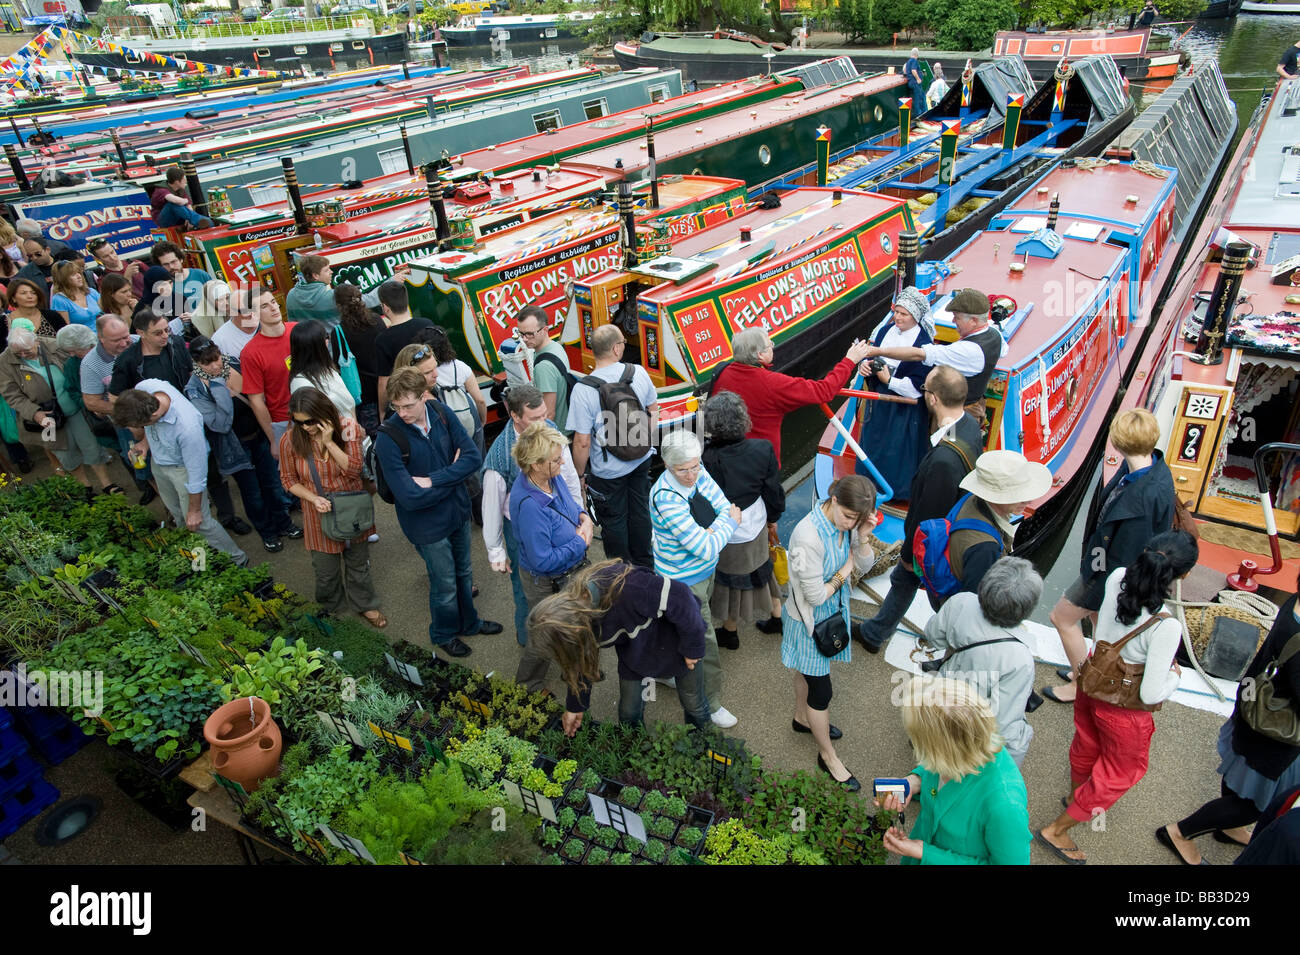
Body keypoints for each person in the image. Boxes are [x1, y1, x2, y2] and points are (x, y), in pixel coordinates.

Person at [1038, 531, 1198, 864]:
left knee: (1086, 746)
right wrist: (1174, 677)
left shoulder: (1117, 578)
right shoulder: (1165, 626)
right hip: (1124, 710)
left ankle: (1075, 796)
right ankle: (1057, 830)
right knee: (1117, 774)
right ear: (1181, 576)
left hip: (1092, 682)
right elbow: (1151, 692)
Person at [1158, 568, 1300, 866]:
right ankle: (1180, 833)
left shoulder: (1294, 604)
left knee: (1240, 772)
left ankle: (1227, 828)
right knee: (1252, 806)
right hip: (1274, 730)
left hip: (1253, 704)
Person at [1045, 409, 1175, 705]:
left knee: (1062, 618)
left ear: (1117, 441)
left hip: (1108, 571)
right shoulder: (1149, 470)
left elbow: (1125, 556)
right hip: (1106, 563)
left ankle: (1082, 683)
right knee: (1096, 620)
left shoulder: (1141, 497)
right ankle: (1091, 667)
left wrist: (1095, 577)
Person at [374, 367, 499, 658]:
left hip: (456, 512)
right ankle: (443, 633)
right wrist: (453, 475)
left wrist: (435, 479)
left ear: (423, 396)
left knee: (464, 573)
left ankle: (469, 623)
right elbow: (410, 497)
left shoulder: (440, 412)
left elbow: (471, 458)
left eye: (408, 405)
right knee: (444, 584)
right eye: (396, 406)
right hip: (426, 526)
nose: (402, 413)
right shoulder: (388, 439)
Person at [856, 365, 981, 652]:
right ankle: (875, 634)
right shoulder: (970, 427)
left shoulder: (943, 461)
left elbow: (929, 514)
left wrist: (911, 555)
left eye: (925, 389)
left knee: (941, 599)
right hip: (954, 528)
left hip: (935, 543)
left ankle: (961, 649)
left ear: (934, 399)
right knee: (904, 581)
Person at [529, 559, 711, 733]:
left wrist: (692, 648)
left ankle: (702, 746)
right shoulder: (577, 620)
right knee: (629, 712)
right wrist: (574, 707)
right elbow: (580, 661)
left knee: (693, 703)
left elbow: (682, 597)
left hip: (677, 648)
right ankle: (637, 750)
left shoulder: (630, 586)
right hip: (635, 656)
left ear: (574, 629)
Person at [783, 474, 880, 790]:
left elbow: (865, 564)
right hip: (809, 622)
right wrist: (843, 574)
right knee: (822, 692)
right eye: (850, 516)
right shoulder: (807, 536)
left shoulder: (847, 526)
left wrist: (862, 536)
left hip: (828, 616)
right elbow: (814, 596)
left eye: (858, 520)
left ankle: (801, 718)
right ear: (834, 499)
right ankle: (828, 756)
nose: (851, 524)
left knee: (807, 675)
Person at [876, 676, 1032, 865]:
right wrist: (914, 782)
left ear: (943, 748)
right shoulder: (962, 749)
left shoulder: (1005, 806)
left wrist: (925, 854)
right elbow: (936, 769)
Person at [651, 429, 740, 727]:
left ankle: (663, 672)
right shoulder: (665, 497)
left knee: (673, 629)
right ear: (667, 465)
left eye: (695, 466)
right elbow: (706, 546)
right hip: (684, 581)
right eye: (683, 470)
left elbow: (724, 506)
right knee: (705, 642)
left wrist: (714, 529)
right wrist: (723, 527)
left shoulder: (696, 473)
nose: (692, 475)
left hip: (704, 572)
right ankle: (710, 702)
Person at [483, 384, 582, 652]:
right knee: (526, 593)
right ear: (515, 416)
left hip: (558, 517)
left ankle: (562, 641)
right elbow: (491, 505)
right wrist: (496, 551)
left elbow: (569, 474)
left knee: (565, 587)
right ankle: (531, 646)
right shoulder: (501, 455)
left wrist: (579, 512)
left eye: (544, 415)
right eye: (534, 418)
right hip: (522, 529)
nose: (543, 422)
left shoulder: (549, 429)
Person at [280, 387, 386, 627]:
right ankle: (333, 607)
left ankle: (365, 604)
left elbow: (354, 469)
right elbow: (288, 479)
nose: (306, 427)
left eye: (310, 421)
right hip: (318, 512)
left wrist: (328, 442)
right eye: (299, 422)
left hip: (351, 508)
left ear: (324, 412)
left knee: (358, 563)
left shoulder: (348, 428)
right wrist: (312, 497)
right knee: (325, 571)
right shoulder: (290, 439)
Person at [111, 381, 247, 564]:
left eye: (135, 425)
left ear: (153, 415)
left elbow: (197, 475)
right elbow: (149, 428)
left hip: (183, 472)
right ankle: (200, 562)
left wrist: (195, 510)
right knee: (180, 519)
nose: (132, 430)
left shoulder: (188, 428)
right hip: (160, 464)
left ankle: (238, 560)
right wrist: (143, 443)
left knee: (199, 523)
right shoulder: (146, 387)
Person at [186, 337, 300, 553]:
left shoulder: (236, 363)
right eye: (206, 362)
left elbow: (260, 396)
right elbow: (220, 424)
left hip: (260, 437)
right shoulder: (196, 389)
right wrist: (220, 387)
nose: (215, 365)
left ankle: (284, 524)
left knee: (273, 485)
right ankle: (268, 533)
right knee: (253, 494)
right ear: (195, 363)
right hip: (235, 449)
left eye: (217, 358)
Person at [924, 557, 1041, 766]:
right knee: (1019, 736)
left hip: (942, 696)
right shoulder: (1019, 659)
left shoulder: (961, 602)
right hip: (970, 723)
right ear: (1026, 608)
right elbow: (1002, 721)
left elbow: (933, 636)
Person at [509, 422, 594, 692]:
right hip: (547, 581)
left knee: (574, 624)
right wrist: (580, 542)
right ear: (534, 464)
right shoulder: (530, 506)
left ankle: (575, 669)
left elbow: (570, 506)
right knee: (544, 636)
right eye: (556, 459)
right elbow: (542, 561)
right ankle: (528, 685)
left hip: (568, 571)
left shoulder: (549, 476)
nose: (561, 463)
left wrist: (583, 517)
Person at [566, 323, 659, 568]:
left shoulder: (583, 390)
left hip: (607, 471)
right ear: (617, 348)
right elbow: (653, 411)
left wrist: (579, 475)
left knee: (614, 521)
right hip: (640, 459)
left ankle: (620, 574)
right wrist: (641, 442)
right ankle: (646, 569)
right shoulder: (638, 372)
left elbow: (582, 441)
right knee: (640, 513)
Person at [711, 326, 870, 467]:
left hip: (725, 458)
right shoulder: (772, 383)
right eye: (770, 345)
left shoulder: (721, 372)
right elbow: (824, 391)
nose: (773, 347)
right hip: (760, 464)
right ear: (759, 355)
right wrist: (850, 360)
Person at [702, 390, 785, 643]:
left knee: (731, 582)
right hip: (757, 521)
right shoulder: (762, 448)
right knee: (763, 567)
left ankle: (730, 632)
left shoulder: (707, 458)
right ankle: (777, 617)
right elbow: (773, 490)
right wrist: (773, 518)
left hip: (729, 529)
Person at [0, 323, 118, 491]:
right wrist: (35, 414)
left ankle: (107, 484)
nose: (23, 355)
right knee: (62, 453)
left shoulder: (54, 345)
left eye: (27, 350)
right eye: (18, 352)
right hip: (45, 419)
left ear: (37, 341)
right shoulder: (5, 361)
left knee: (91, 445)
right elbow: (12, 395)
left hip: (74, 409)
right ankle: (85, 487)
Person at [861, 288, 1005, 426]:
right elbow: (1004, 351)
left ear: (974, 320)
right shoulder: (994, 334)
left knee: (949, 445)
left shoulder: (969, 350)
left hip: (955, 414)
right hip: (972, 405)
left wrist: (878, 351)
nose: (954, 321)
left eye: (957, 317)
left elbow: (919, 354)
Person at [934, 449, 1051, 606]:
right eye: (1019, 495)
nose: (1028, 501)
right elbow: (972, 602)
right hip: (955, 608)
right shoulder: (985, 547)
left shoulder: (972, 498)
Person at [855, 287, 933, 498]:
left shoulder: (923, 344)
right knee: (874, 441)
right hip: (881, 401)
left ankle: (897, 491)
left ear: (915, 316)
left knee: (897, 449)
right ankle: (869, 483)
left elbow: (918, 386)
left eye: (903, 314)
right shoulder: (884, 331)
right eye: (896, 311)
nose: (897, 317)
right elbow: (871, 357)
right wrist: (865, 366)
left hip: (904, 407)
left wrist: (890, 381)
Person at [79, 314, 158, 505]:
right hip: (129, 424)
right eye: (117, 340)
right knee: (143, 464)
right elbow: (91, 402)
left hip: (160, 413)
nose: (125, 343)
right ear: (101, 338)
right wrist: (130, 414)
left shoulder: (141, 342)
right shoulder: (90, 364)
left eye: (126, 336)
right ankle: (166, 502)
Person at [239, 289, 296, 461]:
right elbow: (256, 400)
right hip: (286, 423)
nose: (273, 308)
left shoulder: (297, 330)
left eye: (273, 302)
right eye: (264, 306)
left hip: (317, 411)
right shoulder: (250, 353)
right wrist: (273, 439)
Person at [374, 280, 433, 412]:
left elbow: (384, 382)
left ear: (385, 307)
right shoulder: (427, 324)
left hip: (407, 402)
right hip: (433, 392)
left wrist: (382, 411)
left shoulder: (383, 340)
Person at [335, 283, 385, 437]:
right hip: (385, 385)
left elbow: (338, 364)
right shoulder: (377, 320)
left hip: (362, 393)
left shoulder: (339, 331)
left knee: (374, 439)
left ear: (338, 306)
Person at [516, 304, 571, 434]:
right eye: (521, 333)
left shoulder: (543, 367)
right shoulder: (556, 347)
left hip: (559, 433)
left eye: (530, 334)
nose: (524, 339)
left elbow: (548, 414)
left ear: (545, 329)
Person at [288, 319, 356, 423]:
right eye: (326, 337)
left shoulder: (327, 368)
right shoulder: (301, 384)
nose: (327, 341)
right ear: (316, 345)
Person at [149, 166, 214, 231]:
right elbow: (176, 200)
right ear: (177, 181)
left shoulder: (180, 189)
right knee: (172, 204)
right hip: (163, 221)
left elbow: (188, 205)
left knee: (184, 209)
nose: (185, 180)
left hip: (178, 216)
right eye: (183, 178)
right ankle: (203, 222)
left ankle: (202, 223)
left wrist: (189, 220)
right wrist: (185, 201)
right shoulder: (161, 190)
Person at [285, 253, 342, 327]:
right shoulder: (333, 296)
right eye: (326, 270)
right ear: (315, 276)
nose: (331, 272)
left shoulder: (291, 295)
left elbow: (292, 325)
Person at [211, 287, 260, 360]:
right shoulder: (219, 341)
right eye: (244, 310)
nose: (251, 313)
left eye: (252, 307)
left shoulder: (268, 320)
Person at [49, 261, 101, 328]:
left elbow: (105, 314)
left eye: (78, 272)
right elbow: (66, 329)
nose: (79, 276)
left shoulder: (91, 292)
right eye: (73, 274)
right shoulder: (59, 300)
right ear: (62, 278)